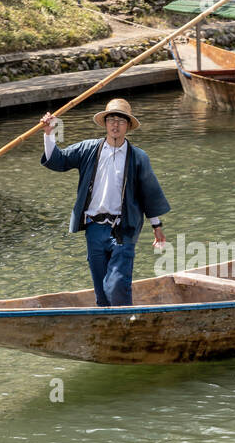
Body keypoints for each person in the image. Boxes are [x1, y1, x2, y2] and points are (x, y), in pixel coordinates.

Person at [39, 99, 170, 308]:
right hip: (94, 228)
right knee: (100, 289)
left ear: (128, 125)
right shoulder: (88, 149)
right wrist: (49, 133)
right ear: (105, 123)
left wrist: (157, 226)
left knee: (117, 284)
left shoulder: (138, 157)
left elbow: (149, 194)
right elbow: (59, 160)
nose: (115, 125)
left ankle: (125, 322)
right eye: (111, 120)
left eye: (120, 120)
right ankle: (107, 323)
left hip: (124, 228)